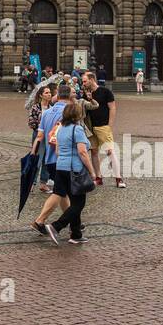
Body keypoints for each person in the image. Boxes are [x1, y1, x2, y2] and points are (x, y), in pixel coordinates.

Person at [45, 101, 98, 244]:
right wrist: (92, 172)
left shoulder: (61, 128)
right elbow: (82, 152)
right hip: (74, 169)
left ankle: (76, 234)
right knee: (79, 204)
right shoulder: (77, 129)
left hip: (61, 167)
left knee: (74, 201)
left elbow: (57, 149)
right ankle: (56, 226)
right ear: (77, 115)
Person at [30, 84, 71, 216]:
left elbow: (40, 137)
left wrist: (32, 152)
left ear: (56, 96)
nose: (48, 95)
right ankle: (40, 221)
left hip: (50, 160)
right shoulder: (69, 112)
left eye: (50, 93)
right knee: (65, 193)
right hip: (63, 159)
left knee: (61, 192)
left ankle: (70, 220)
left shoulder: (47, 112)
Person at [85, 70, 125, 188]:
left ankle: (118, 178)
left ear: (92, 80)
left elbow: (112, 108)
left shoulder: (105, 91)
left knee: (109, 151)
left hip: (103, 126)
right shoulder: (85, 94)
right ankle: (98, 177)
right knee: (94, 151)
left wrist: (109, 125)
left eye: (85, 81)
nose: (83, 83)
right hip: (91, 127)